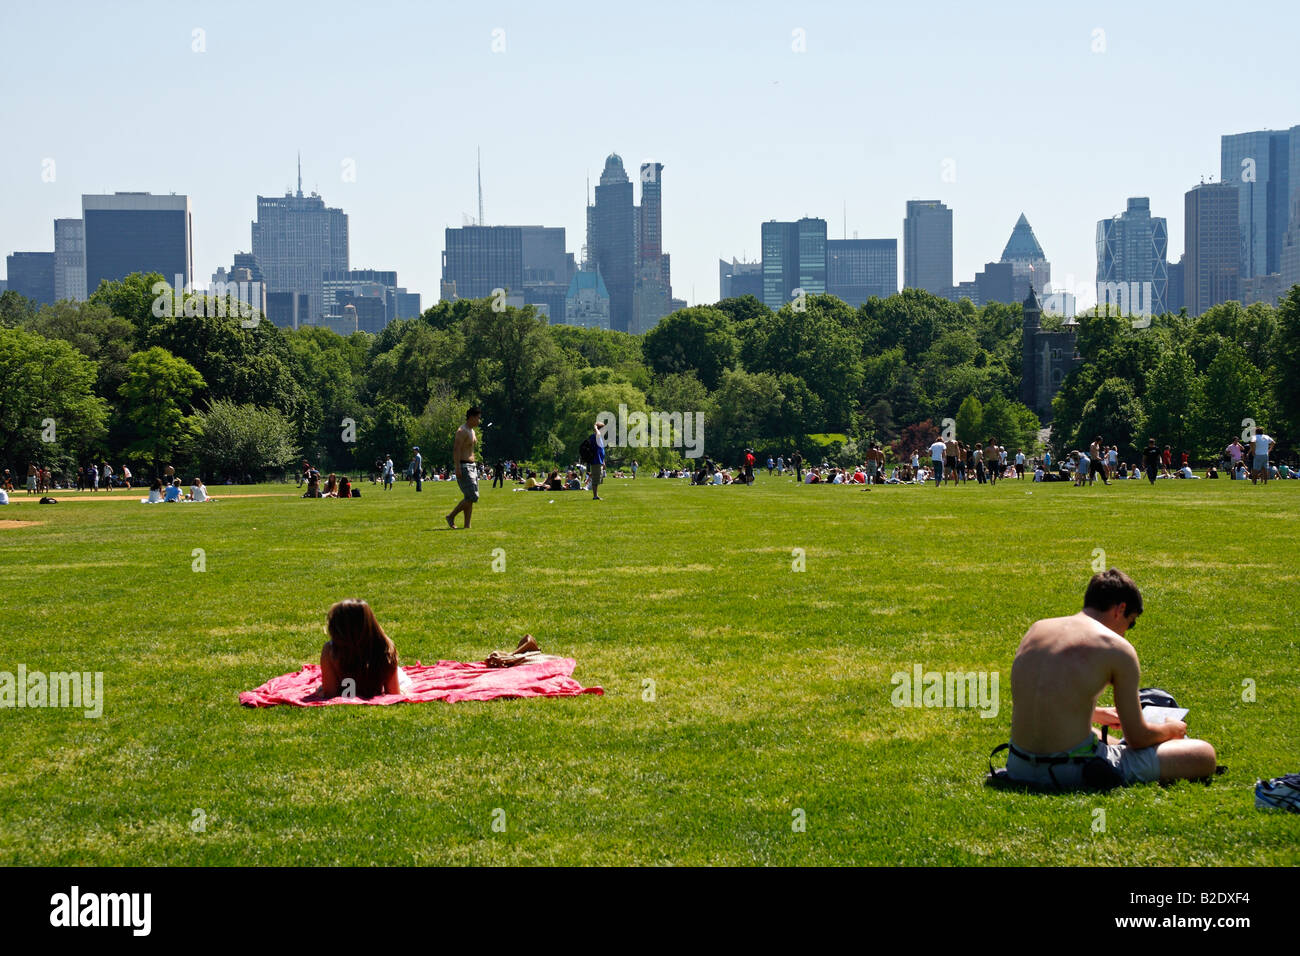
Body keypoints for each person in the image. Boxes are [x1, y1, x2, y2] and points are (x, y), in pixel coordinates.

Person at [1005, 569, 1217, 789]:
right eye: (1131, 622)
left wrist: (1096, 714)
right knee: (1203, 753)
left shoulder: (1037, 629)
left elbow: (1037, 697)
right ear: (1120, 609)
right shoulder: (1116, 648)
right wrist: (1172, 729)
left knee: (1094, 733)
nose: (1126, 632)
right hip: (1070, 771)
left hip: (1018, 764)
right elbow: (1137, 738)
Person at [314, 599, 408, 699]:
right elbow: (393, 693)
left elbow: (330, 694)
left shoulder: (330, 650)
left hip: (348, 686)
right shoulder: (385, 645)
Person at [446, 406, 482, 527]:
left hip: (472, 466)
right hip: (464, 466)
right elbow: (456, 449)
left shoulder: (472, 431)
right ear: (471, 417)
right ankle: (451, 516)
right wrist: (457, 468)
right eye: (478, 418)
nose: (479, 420)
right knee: (473, 495)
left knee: (469, 497)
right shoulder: (462, 431)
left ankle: (467, 525)